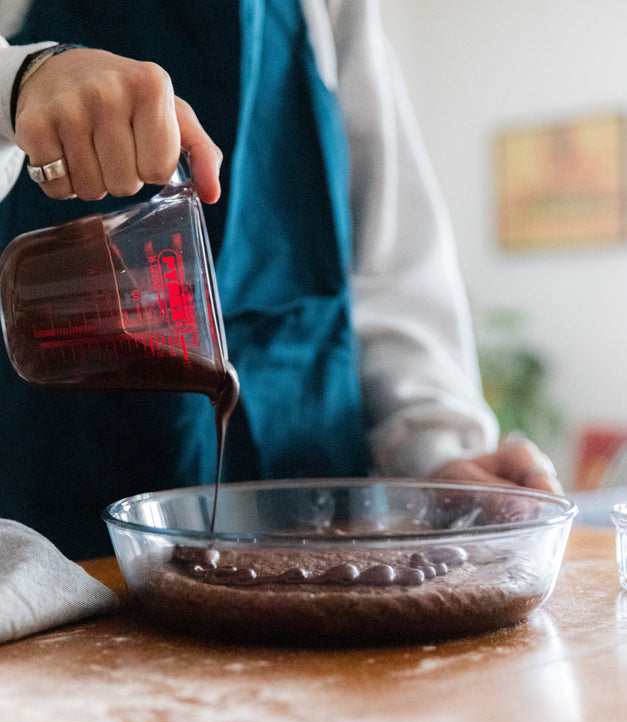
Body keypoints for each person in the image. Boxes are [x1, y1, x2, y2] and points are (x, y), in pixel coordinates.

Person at [0, 0, 562, 559]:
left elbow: (388, 250)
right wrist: (19, 79)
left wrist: (438, 454)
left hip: (315, 485)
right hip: (56, 487)